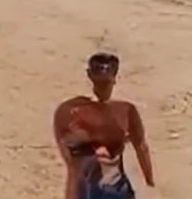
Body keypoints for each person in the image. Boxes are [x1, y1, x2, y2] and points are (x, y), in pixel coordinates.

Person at [53, 53, 155, 198]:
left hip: (97, 187)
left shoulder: (68, 111)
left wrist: (149, 179)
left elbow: (71, 164)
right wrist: (149, 179)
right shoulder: (124, 111)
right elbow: (141, 147)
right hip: (108, 187)